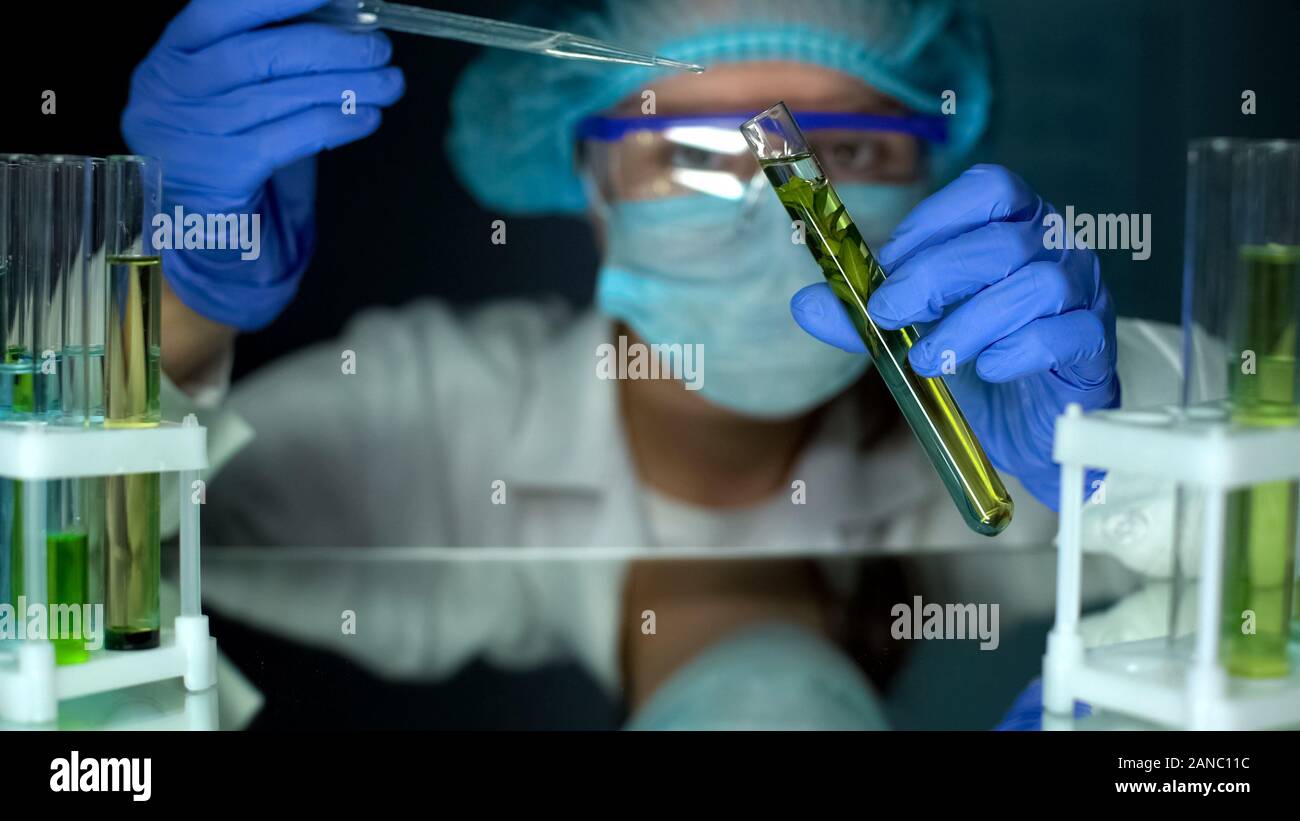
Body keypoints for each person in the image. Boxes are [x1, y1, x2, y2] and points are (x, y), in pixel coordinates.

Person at [123, 0, 1181, 728]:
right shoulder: (432, 417)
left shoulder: (1020, 416)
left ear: (936, 177)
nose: (783, 200)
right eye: (694, 150)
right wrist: (180, 302)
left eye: (847, 150)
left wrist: (1132, 458)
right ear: (589, 186)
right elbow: (64, 575)